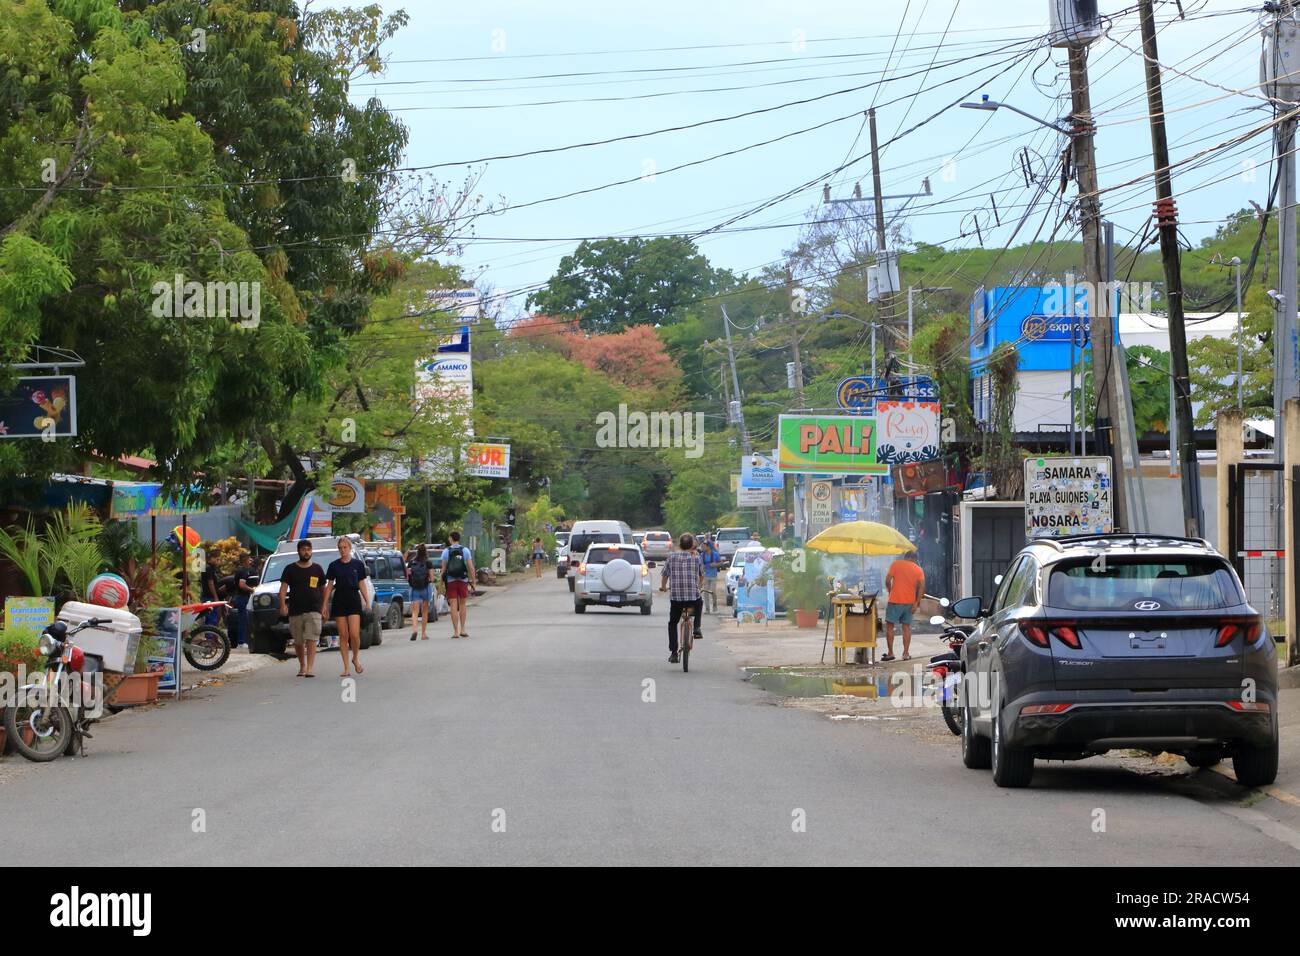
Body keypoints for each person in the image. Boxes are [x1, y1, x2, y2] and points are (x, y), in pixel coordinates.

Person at [323, 536, 370, 678]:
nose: (342, 550)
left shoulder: (357, 565)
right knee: (343, 635)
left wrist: (367, 601)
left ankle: (355, 657)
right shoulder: (333, 565)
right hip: (340, 599)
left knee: (354, 635)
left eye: (345, 547)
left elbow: (361, 583)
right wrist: (324, 604)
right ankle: (346, 667)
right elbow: (330, 585)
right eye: (340, 548)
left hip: (353, 598)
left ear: (350, 548)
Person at [279, 539, 325, 678]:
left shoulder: (317, 569)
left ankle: (310, 668)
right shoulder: (290, 569)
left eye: (309, 549)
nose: (306, 552)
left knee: (312, 638)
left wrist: (324, 608)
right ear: (298, 551)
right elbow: (283, 590)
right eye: (304, 549)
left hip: (314, 609)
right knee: (298, 641)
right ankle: (302, 666)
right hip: (295, 610)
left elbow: (323, 590)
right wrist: (282, 605)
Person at [659, 533, 704, 664]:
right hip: (692, 598)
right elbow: (701, 577)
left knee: (673, 623)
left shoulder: (671, 557)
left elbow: (664, 576)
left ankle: (673, 652)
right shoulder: (696, 558)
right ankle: (696, 628)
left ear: (679, 544)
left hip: (676, 599)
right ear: (692, 545)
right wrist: (699, 587)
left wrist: (663, 587)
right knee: (699, 602)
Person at [883, 550, 925, 662]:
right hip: (910, 603)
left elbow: (887, 580)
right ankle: (905, 653)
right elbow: (921, 587)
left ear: (905, 556)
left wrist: (890, 590)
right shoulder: (918, 569)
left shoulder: (896, 564)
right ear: (915, 559)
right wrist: (916, 603)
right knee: (906, 627)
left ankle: (891, 653)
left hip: (895, 600)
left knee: (890, 626)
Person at [441, 532, 477, 639]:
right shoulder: (465, 550)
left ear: (451, 539)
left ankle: (455, 632)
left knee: (453, 605)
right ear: (459, 539)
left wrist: (440, 585)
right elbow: (471, 567)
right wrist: (474, 581)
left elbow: (443, 570)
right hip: (463, 580)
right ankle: (463, 629)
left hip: (451, 580)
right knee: (462, 604)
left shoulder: (446, 551)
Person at [407, 544, 435, 641]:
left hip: (414, 588)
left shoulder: (411, 562)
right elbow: (432, 578)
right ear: (425, 552)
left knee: (415, 612)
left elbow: (408, 576)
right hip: (425, 588)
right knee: (424, 612)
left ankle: (414, 630)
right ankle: (423, 634)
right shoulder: (428, 563)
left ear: (417, 552)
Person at [233, 552, 256, 649]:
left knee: (246, 619)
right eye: (249, 558)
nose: (250, 560)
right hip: (243, 598)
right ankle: (241, 642)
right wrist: (253, 590)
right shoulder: (243, 571)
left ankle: (245, 640)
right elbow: (242, 585)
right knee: (243, 619)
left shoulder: (245, 570)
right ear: (245, 560)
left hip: (243, 597)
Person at [699, 535, 722, 614]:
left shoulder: (715, 554)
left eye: (704, 546)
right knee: (705, 592)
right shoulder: (702, 555)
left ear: (708, 546)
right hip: (706, 576)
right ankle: (707, 609)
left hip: (713, 576)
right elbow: (701, 564)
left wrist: (714, 565)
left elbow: (720, 563)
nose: (703, 547)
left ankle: (715, 607)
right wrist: (702, 569)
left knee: (713, 591)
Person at [199, 552, 221, 626]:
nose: (218, 561)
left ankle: (209, 635)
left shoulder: (211, 568)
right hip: (209, 596)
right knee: (211, 617)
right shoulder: (208, 568)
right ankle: (209, 636)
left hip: (208, 596)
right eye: (217, 559)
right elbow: (210, 583)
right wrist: (215, 596)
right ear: (211, 558)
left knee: (210, 617)